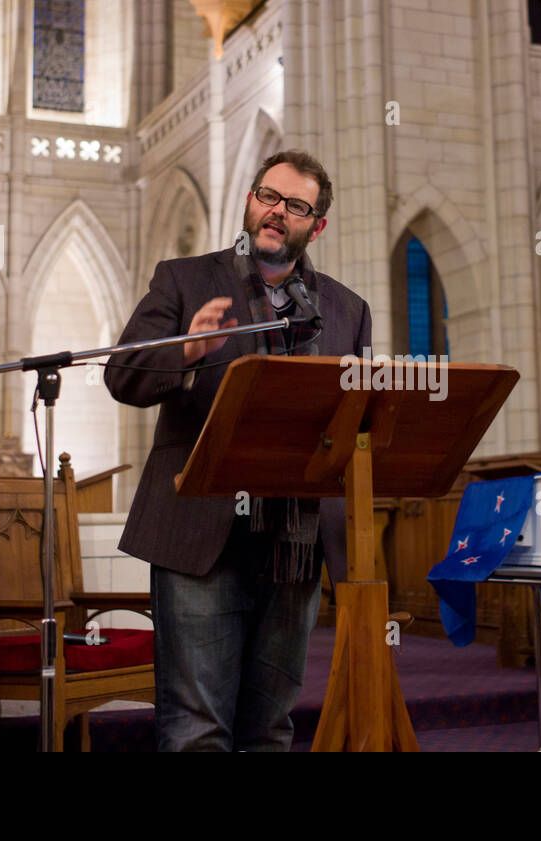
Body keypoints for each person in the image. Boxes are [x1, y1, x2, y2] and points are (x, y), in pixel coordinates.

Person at [105, 150, 372, 751]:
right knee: (196, 729)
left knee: (271, 731)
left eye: (295, 205)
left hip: (294, 546)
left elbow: (356, 423)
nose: (276, 212)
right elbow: (122, 377)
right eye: (267, 196)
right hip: (202, 531)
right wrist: (189, 352)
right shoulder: (185, 279)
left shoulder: (346, 309)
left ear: (316, 225)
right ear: (251, 201)